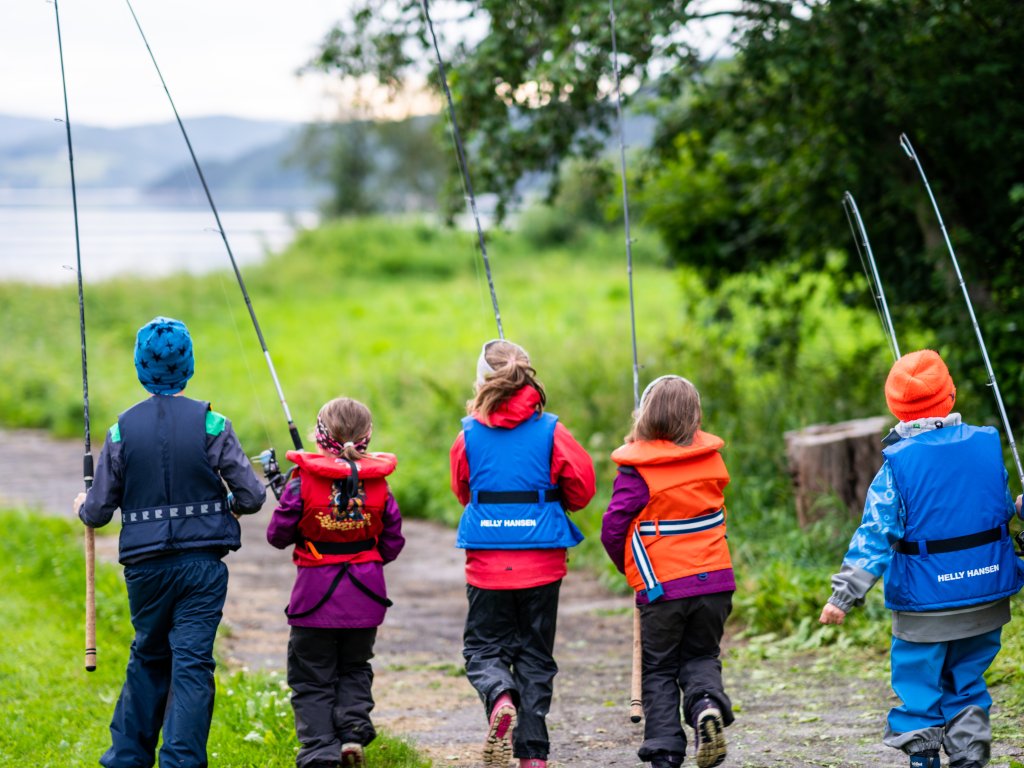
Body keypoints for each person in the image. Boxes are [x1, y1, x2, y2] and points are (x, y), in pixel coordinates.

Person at [74, 316, 267, 768]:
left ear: (140, 368)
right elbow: (253, 497)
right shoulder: (213, 423)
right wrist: (226, 510)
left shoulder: (121, 431)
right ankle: (181, 761)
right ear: (190, 366)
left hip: (145, 570)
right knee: (193, 664)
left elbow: (98, 512)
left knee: (148, 655)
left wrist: (83, 504)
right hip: (202, 570)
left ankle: (126, 757)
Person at [819, 349, 1024, 768]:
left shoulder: (897, 466)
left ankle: (925, 758)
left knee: (919, 687)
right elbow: (1001, 509)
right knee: (967, 683)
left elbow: (875, 533)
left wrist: (844, 595)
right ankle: (970, 754)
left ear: (895, 407)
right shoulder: (987, 445)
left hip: (923, 607)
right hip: (986, 596)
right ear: (950, 396)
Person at [450, 339, 596, 768]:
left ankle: (499, 697)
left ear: (481, 382)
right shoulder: (553, 430)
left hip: (487, 567)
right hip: (542, 564)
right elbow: (583, 489)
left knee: (483, 651)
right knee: (534, 655)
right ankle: (533, 755)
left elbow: (463, 491)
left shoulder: (468, 435)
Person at [602, 375, 734, 768]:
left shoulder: (637, 470)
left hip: (662, 588)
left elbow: (613, 528)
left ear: (645, 415)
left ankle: (664, 753)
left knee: (658, 668)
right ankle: (705, 706)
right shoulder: (710, 460)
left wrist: (632, 572)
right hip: (716, 580)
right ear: (694, 416)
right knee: (701, 655)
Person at [267, 396, 404, 768]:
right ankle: (351, 733)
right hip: (365, 599)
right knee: (355, 667)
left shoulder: (301, 483)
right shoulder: (380, 485)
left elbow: (278, 536)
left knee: (312, 678)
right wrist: (367, 558)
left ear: (318, 436)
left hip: (314, 602)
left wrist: (290, 505)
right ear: (367, 438)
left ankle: (319, 750)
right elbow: (392, 541)